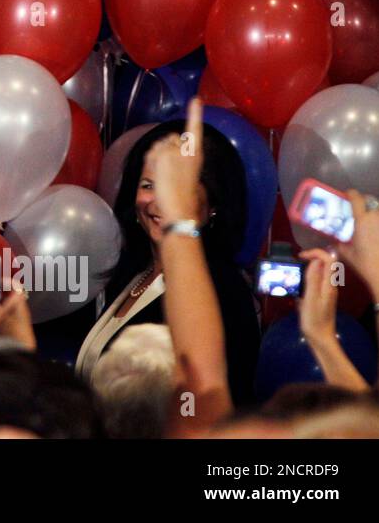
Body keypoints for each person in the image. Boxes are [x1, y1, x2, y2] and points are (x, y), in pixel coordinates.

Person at [75, 115, 260, 405]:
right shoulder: (128, 276)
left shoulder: (222, 290)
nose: (161, 200)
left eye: (178, 188)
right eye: (149, 185)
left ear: (213, 204)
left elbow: (215, 405)